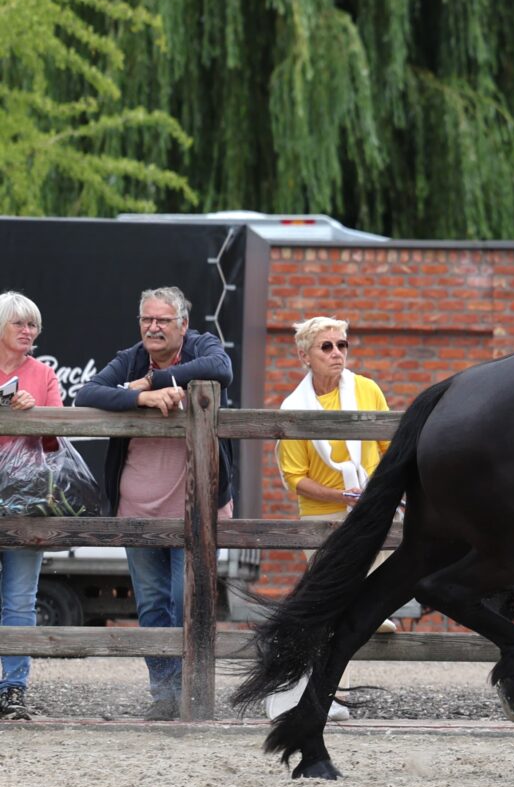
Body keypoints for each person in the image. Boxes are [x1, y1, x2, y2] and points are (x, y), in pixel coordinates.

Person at [74, 286, 236, 720]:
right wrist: (141, 396)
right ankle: (165, 695)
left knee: (191, 602)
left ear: (183, 324)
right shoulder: (130, 358)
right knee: (150, 607)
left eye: (163, 320)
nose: (153, 327)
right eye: (147, 319)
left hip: (196, 512)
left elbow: (221, 369)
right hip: (138, 511)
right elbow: (87, 394)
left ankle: (194, 694)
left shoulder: (201, 346)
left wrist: (160, 380)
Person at [269, 316, 394, 721]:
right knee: (328, 607)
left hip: (373, 512)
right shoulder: (294, 408)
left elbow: (389, 445)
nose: (337, 353)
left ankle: (367, 610)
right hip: (322, 518)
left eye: (342, 345)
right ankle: (318, 691)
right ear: (304, 355)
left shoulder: (367, 390)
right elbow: (295, 479)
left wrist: (377, 494)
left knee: (341, 604)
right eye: (327, 347)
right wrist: (341, 496)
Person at [0, 292, 63, 721]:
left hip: (26, 499)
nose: (28, 331)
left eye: (33, 325)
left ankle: (13, 689)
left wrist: (34, 413)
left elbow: (58, 439)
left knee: (20, 599)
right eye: (19, 323)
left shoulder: (44, 375)